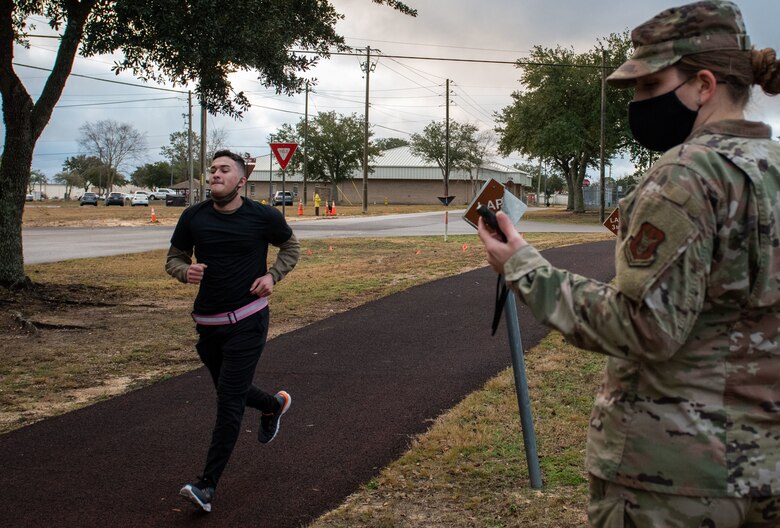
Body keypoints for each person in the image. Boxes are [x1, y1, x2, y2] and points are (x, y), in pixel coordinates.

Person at [478, 1, 780, 526]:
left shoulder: (684, 174)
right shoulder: (770, 167)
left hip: (673, 477)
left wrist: (522, 265)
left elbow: (644, 326)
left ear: (703, 85)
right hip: (766, 467)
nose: (637, 103)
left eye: (648, 86)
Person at [165, 149, 301, 513]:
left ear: (242, 180)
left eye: (224, 170)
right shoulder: (193, 217)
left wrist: (272, 275)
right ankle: (273, 405)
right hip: (208, 325)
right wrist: (184, 271)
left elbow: (291, 247)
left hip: (248, 319)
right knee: (233, 392)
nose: (215, 176)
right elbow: (174, 258)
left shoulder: (263, 216)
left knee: (228, 401)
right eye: (212, 170)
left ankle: (206, 486)